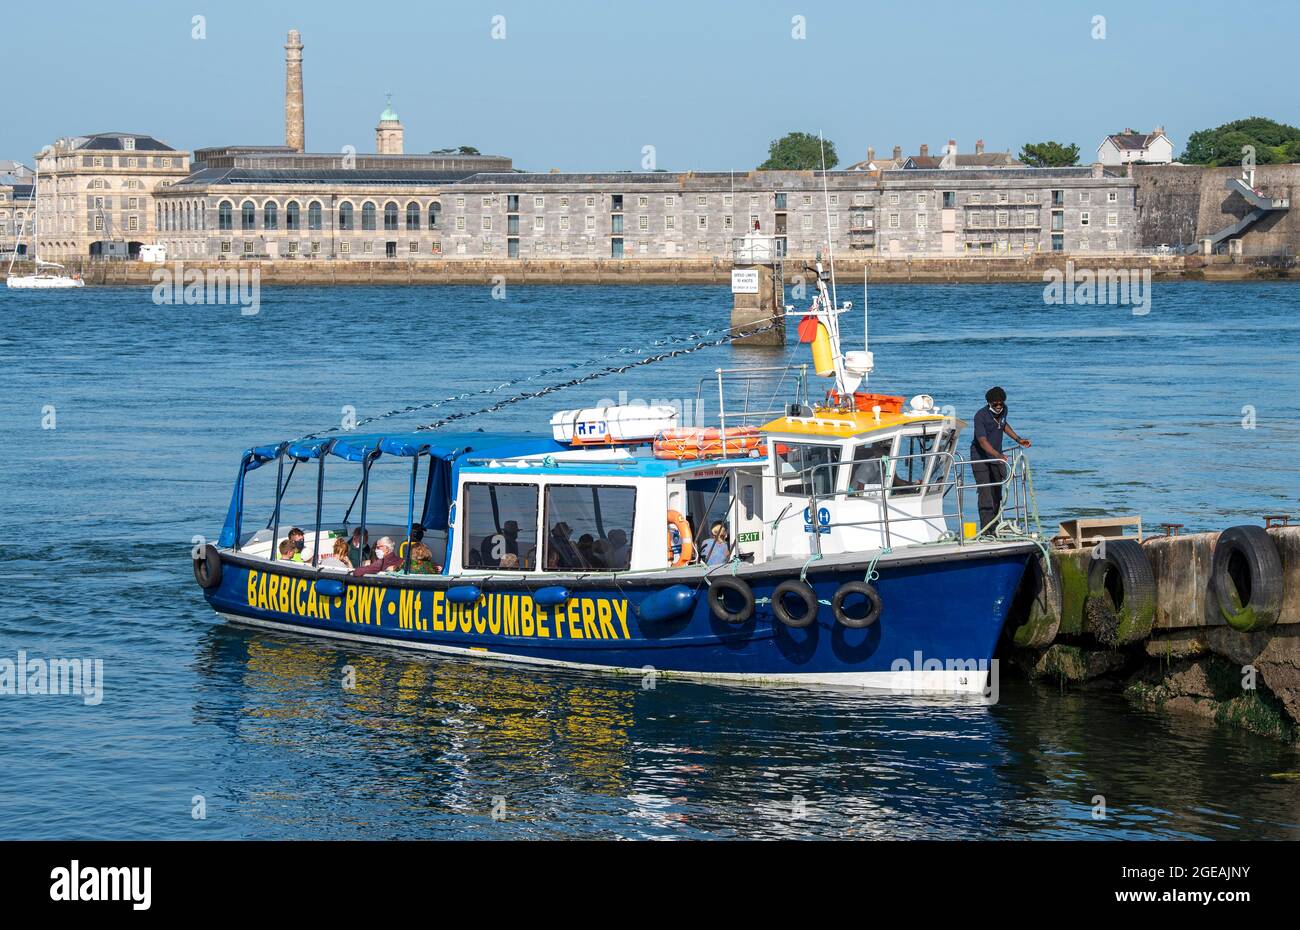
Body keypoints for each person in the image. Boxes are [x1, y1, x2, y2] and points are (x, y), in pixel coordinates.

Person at [970, 386, 1032, 534]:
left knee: (997, 491)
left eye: (1000, 403)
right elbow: (983, 442)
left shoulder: (1004, 410)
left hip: (997, 456)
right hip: (981, 457)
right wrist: (997, 455)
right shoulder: (980, 416)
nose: (998, 406)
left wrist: (1018, 439)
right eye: (995, 404)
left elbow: (1004, 424)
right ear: (989, 403)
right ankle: (986, 529)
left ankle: (995, 523)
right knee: (985, 492)